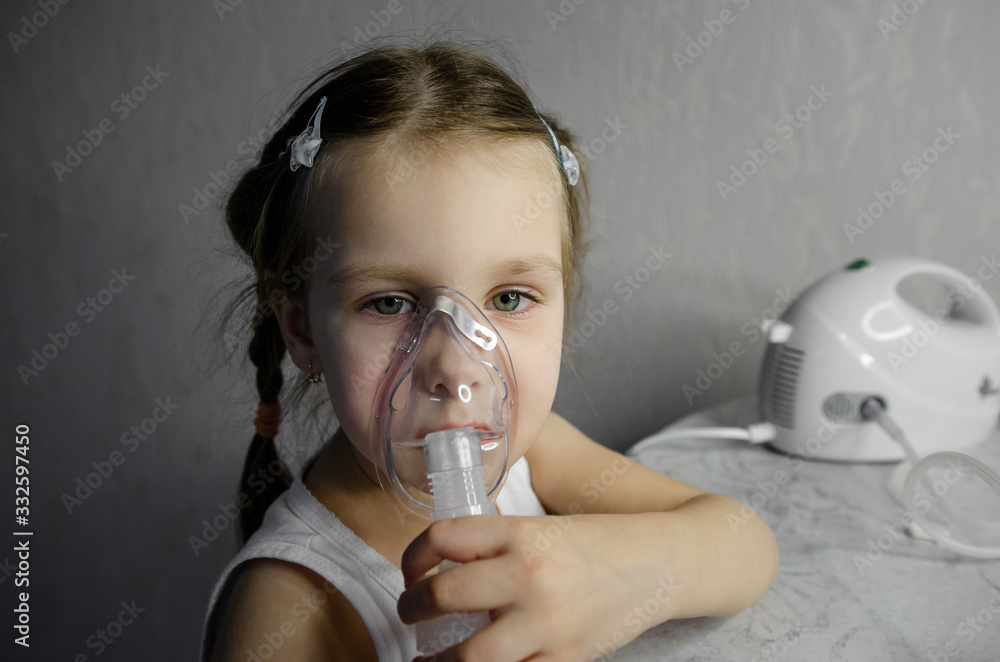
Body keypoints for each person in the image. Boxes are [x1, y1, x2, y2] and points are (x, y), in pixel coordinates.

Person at [201, 41, 779, 662]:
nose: (456, 369)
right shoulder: (288, 604)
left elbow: (746, 544)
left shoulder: (536, 452)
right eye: (391, 304)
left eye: (508, 298)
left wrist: (619, 571)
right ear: (302, 330)